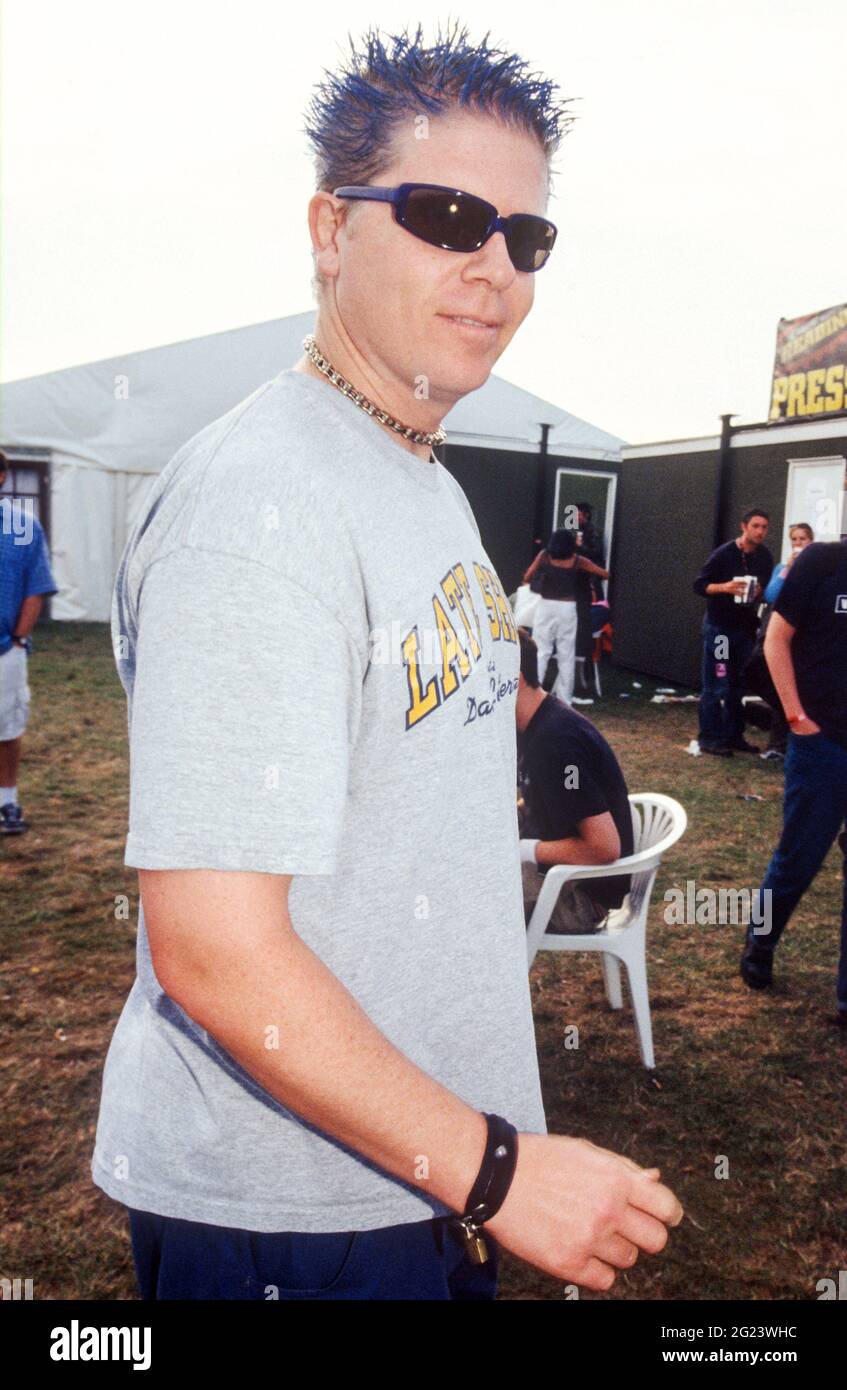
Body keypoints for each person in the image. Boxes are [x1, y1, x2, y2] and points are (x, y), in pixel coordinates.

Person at [91, 23, 681, 1303]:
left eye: (526, 237)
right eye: (447, 213)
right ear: (328, 229)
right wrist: (498, 1174)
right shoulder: (262, 504)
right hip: (290, 1212)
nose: (495, 268)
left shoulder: (415, 472)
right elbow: (210, 943)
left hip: (409, 1168)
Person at [740, 538, 847, 1026]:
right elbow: (776, 638)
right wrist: (796, 716)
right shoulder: (823, 562)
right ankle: (760, 940)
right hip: (821, 742)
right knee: (798, 858)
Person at [516, 628, 633, 934]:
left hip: (582, 897)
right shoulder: (537, 723)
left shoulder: (556, 742)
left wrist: (526, 850)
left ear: (512, 679)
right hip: (565, 878)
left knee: (466, 889)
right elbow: (551, 798)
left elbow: (604, 847)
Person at [0, 450, 58, 835]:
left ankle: (7, 802)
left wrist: (19, 640)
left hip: (6, 650)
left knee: (6, 729)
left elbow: (36, 589)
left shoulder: (23, 528)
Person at [692, 508, 774, 756]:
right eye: (756, 526)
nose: (760, 531)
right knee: (717, 681)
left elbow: (766, 590)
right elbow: (700, 585)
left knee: (738, 685)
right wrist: (726, 587)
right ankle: (710, 738)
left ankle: (734, 735)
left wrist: (759, 591)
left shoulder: (764, 557)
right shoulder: (724, 554)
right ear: (744, 526)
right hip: (721, 631)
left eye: (764, 527)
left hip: (745, 629)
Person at [746, 523, 814, 762]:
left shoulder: (818, 568)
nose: (798, 543)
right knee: (727, 672)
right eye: (794, 539)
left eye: (803, 539)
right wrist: (787, 569)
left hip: (800, 636)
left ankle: (791, 743)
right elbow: (772, 595)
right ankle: (774, 740)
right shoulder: (781, 567)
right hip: (727, 634)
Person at [522, 528, 608, 706]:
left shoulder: (545, 556)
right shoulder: (577, 561)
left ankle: (533, 696)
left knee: (541, 651)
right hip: (567, 607)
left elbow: (528, 576)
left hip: (545, 606)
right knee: (566, 655)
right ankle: (564, 700)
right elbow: (604, 574)